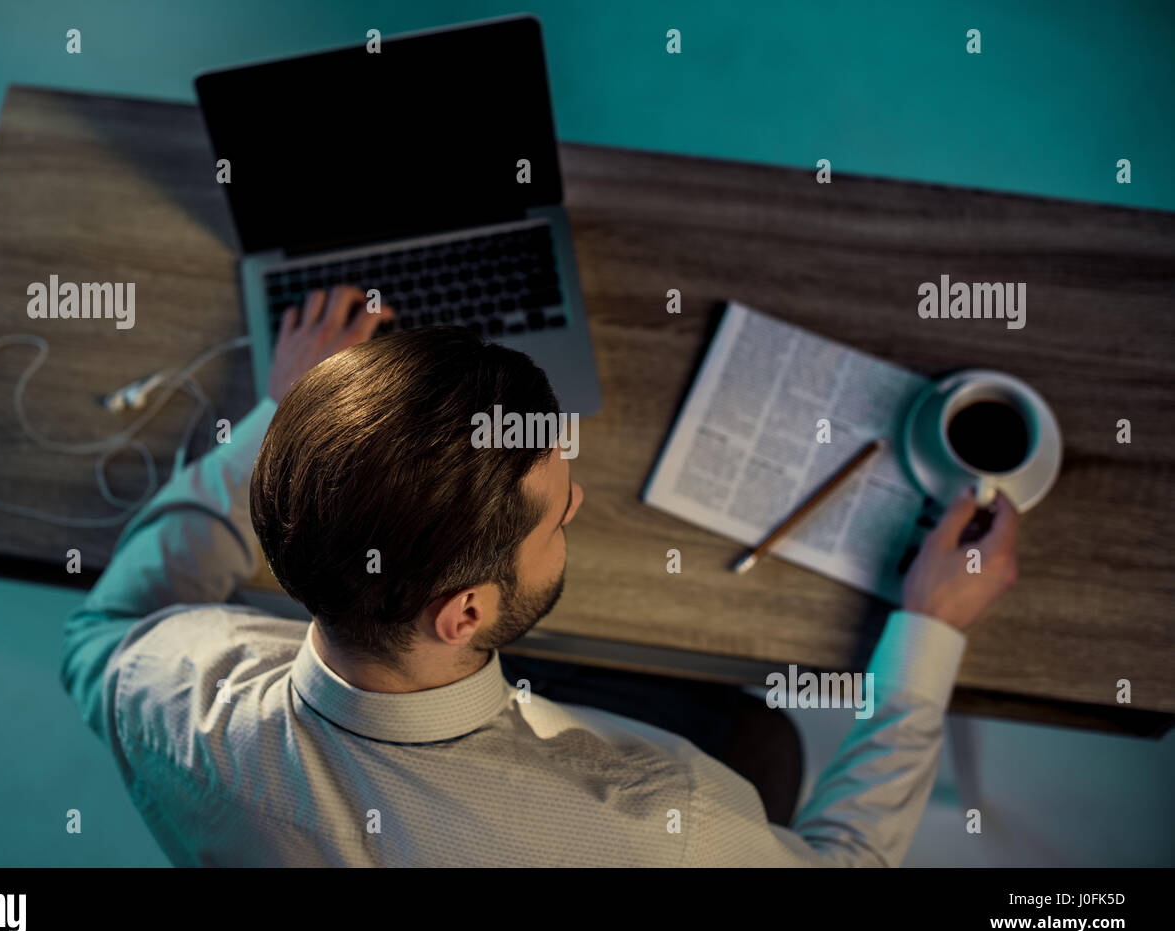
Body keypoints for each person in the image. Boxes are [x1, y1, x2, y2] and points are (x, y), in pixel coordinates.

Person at [61, 286, 1019, 866]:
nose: (578, 503)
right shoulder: (661, 825)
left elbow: (96, 631)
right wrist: (930, 628)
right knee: (759, 736)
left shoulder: (171, 686)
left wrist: (290, 416)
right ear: (465, 611)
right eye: (556, 512)